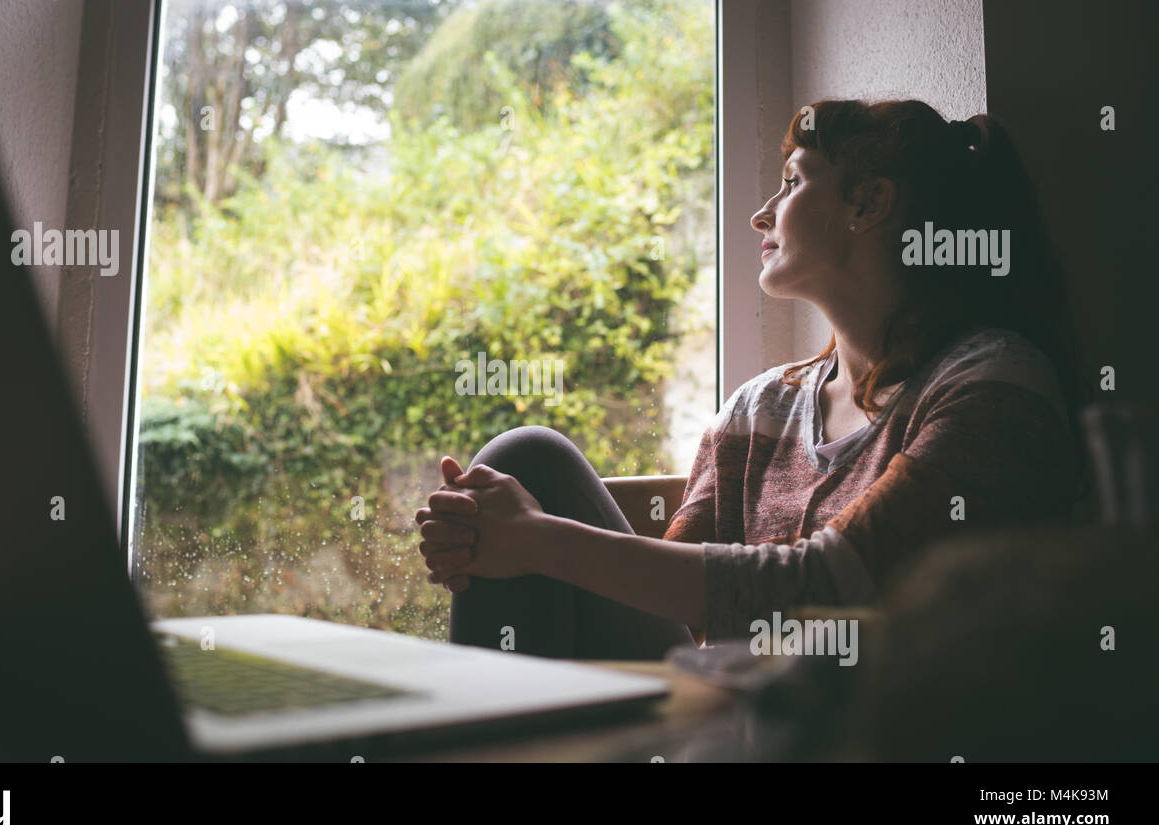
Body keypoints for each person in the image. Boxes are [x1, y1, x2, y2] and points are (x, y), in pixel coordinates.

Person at [414, 99, 1090, 660]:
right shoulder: (758, 409)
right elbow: (674, 600)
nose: (760, 214)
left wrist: (540, 539)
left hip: (862, 737)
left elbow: (829, 588)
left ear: (869, 204)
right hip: (726, 717)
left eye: (794, 182)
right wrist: (500, 538)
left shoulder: (993, 385)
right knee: (526, 458)